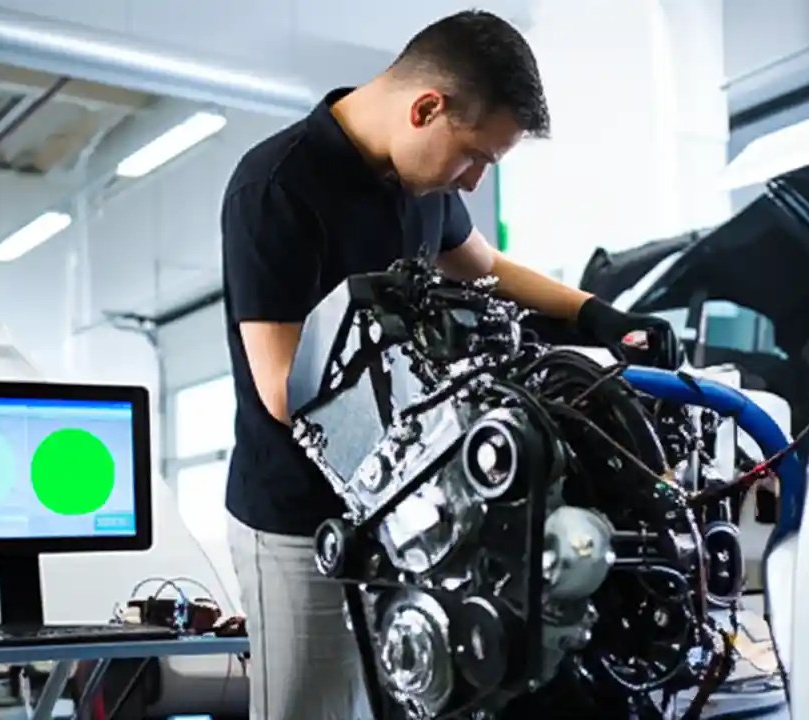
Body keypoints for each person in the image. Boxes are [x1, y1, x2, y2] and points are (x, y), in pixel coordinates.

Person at [220, 10, 681, 719]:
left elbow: (486, 270)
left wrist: (594, 313)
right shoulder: (277, 188)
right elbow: (284, 390)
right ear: (426, 107)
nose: (471, 184)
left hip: (411, 516)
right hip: (300, 521)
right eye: (475, 158)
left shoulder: (419, 183)